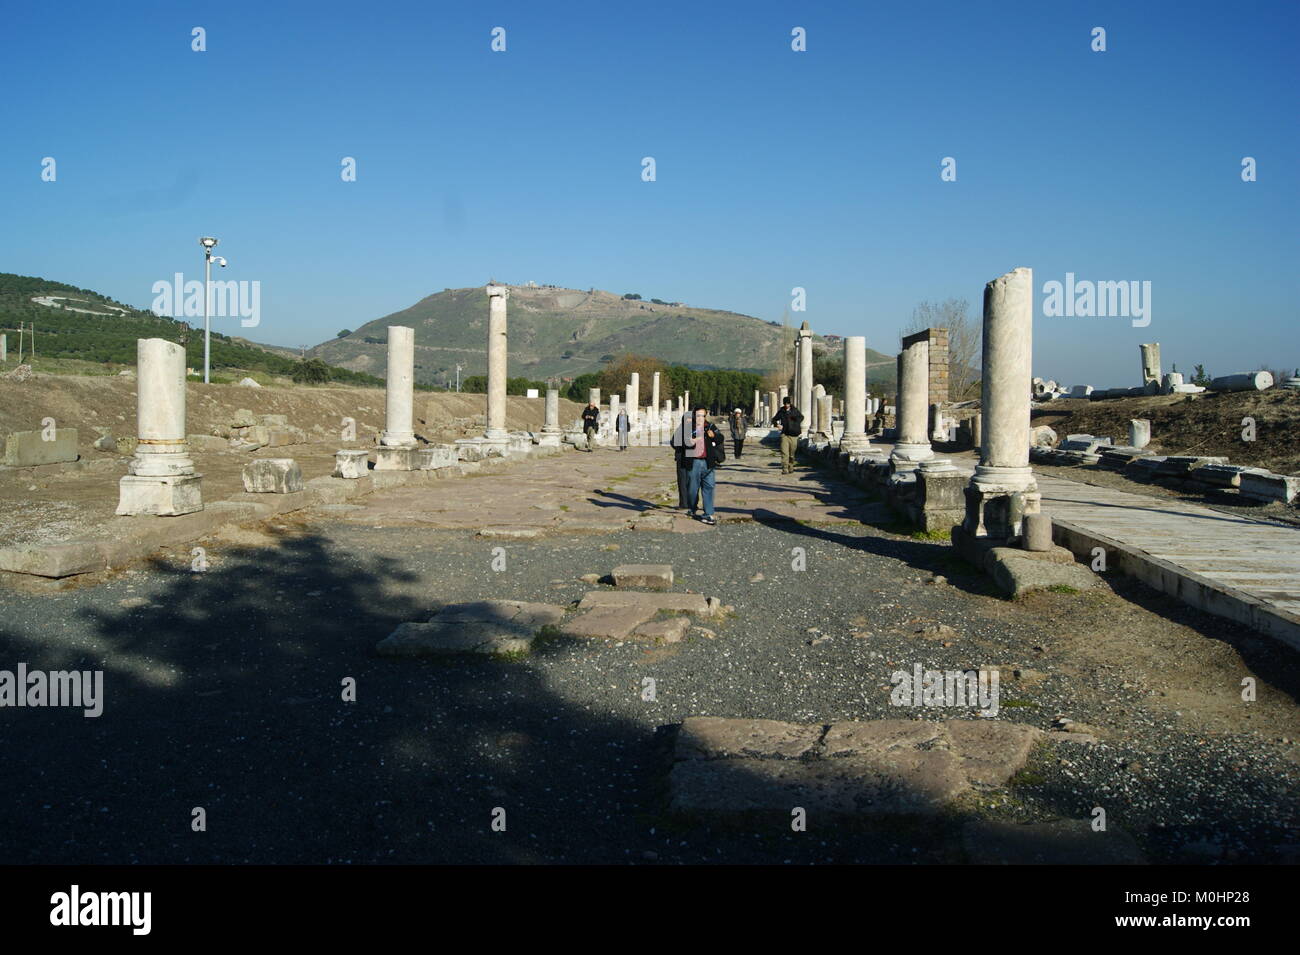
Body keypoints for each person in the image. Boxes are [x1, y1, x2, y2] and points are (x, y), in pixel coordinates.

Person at [683, 406, 725, 525]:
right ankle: (692, 507)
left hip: (708, 462)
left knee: (709, 487)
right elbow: (681, 443)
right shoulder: (688, 428)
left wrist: (714, 436)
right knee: (692, 489)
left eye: (703, 415)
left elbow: (721, 438)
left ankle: (708, 514)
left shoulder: (710, 426)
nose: (700, 418)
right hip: (694, 462)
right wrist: (690, 442)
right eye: (698, 415)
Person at [669, 410, 697, 512]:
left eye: (690, 419)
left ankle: (693, 503)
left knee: (693, 481)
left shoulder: (696, 430)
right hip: (681, 458)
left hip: (693, 458)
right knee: (682, 481)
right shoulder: (680, 430)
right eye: (686, 419)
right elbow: (673, 442)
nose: (688, 421)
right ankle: (683, 503)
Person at [772, 397, 802, 474]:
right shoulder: (781, 411)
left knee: (792, 453)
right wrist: (777, 425)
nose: (786, 405)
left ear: (790, 403)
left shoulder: (795, 410)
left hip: (793, 435)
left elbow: (801, 418)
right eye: (785, 404)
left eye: (788, 403)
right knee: (784, 452)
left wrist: (794, 420)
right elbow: (774, 419)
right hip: (784, 434)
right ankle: (784, 468)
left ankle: (791, 466)